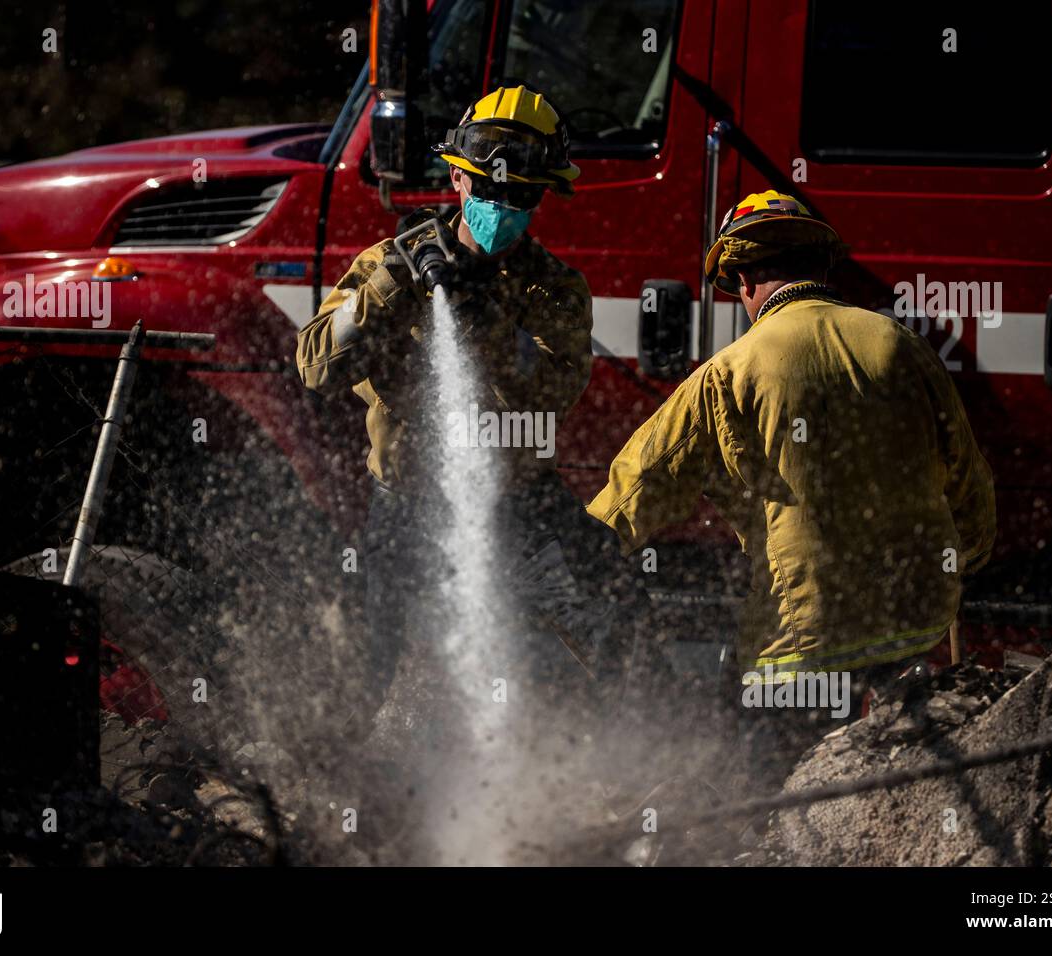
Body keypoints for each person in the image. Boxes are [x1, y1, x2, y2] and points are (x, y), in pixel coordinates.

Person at [588, 190, 996, 780]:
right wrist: (965, 559)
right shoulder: (901, 345)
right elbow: (968, 478)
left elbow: (642, 483)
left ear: (748, 277)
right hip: (914, 621)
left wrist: (583, 552)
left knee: (771, 793)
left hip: (801, 646)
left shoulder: (730, 371)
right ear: (820, 265)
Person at [297, 86, 638, 741]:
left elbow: (554, 394)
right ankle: (332, 800)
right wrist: (394, 287)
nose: (505, 209)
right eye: (492, 189)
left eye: (523, 197)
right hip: (406, 509)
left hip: (522, 508)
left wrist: (490, 330)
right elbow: (315, 364)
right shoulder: (385, 267)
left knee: (615, 618)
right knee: (364, 669)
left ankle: (615, 772)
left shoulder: (554, 288)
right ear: (457, 177)